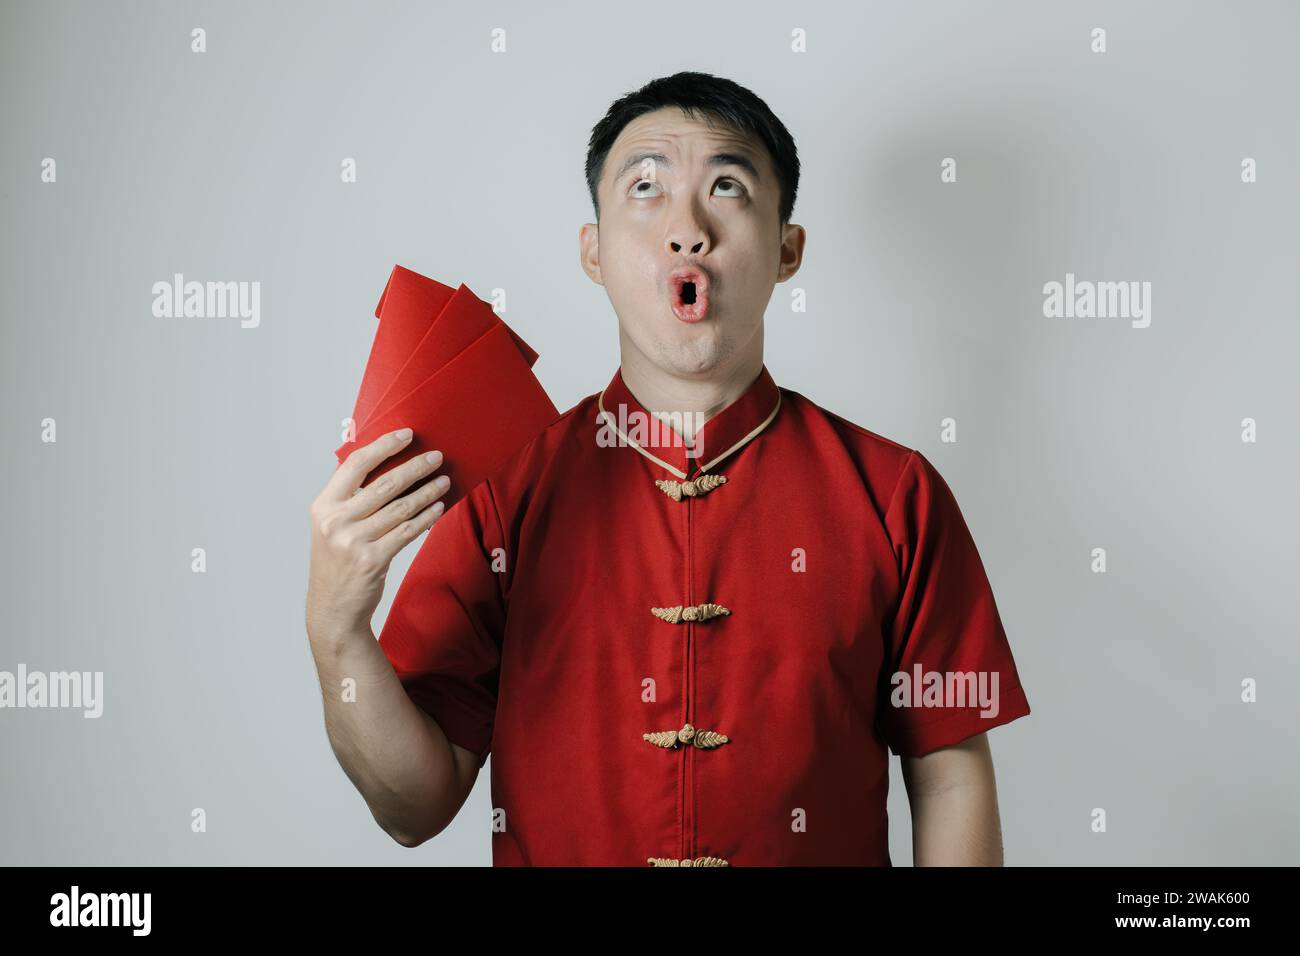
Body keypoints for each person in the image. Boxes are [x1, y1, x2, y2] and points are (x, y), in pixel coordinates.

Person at [305, 71, 1030, 866]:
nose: (688, 229)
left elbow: (950, 777)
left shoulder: (896, 495)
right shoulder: (506, 495)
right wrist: (336, 629)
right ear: (594, 252)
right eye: (645, 187)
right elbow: (414, 804)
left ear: (788, 249)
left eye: (727, 186)